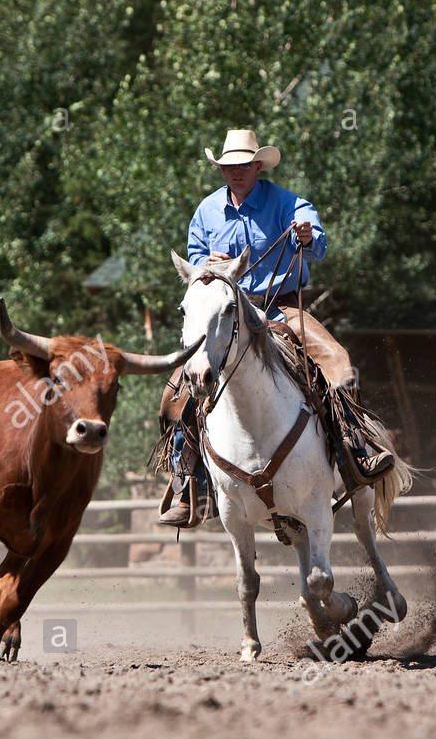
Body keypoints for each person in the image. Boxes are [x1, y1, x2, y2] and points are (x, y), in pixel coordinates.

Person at [157, 129, 396, 528]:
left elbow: (315, 240)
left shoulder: (287, 202)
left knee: (338, 361)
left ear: (257, 166)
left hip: (280, 305)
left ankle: (355, 452)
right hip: (226, 313)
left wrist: (306, 236)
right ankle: (189, 485)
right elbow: (194, 263)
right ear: (221, 168)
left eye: (242, 165)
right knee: (177, 392)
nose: (234, 172)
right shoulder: (207, 211)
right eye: (227, 166)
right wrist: (207, 263)